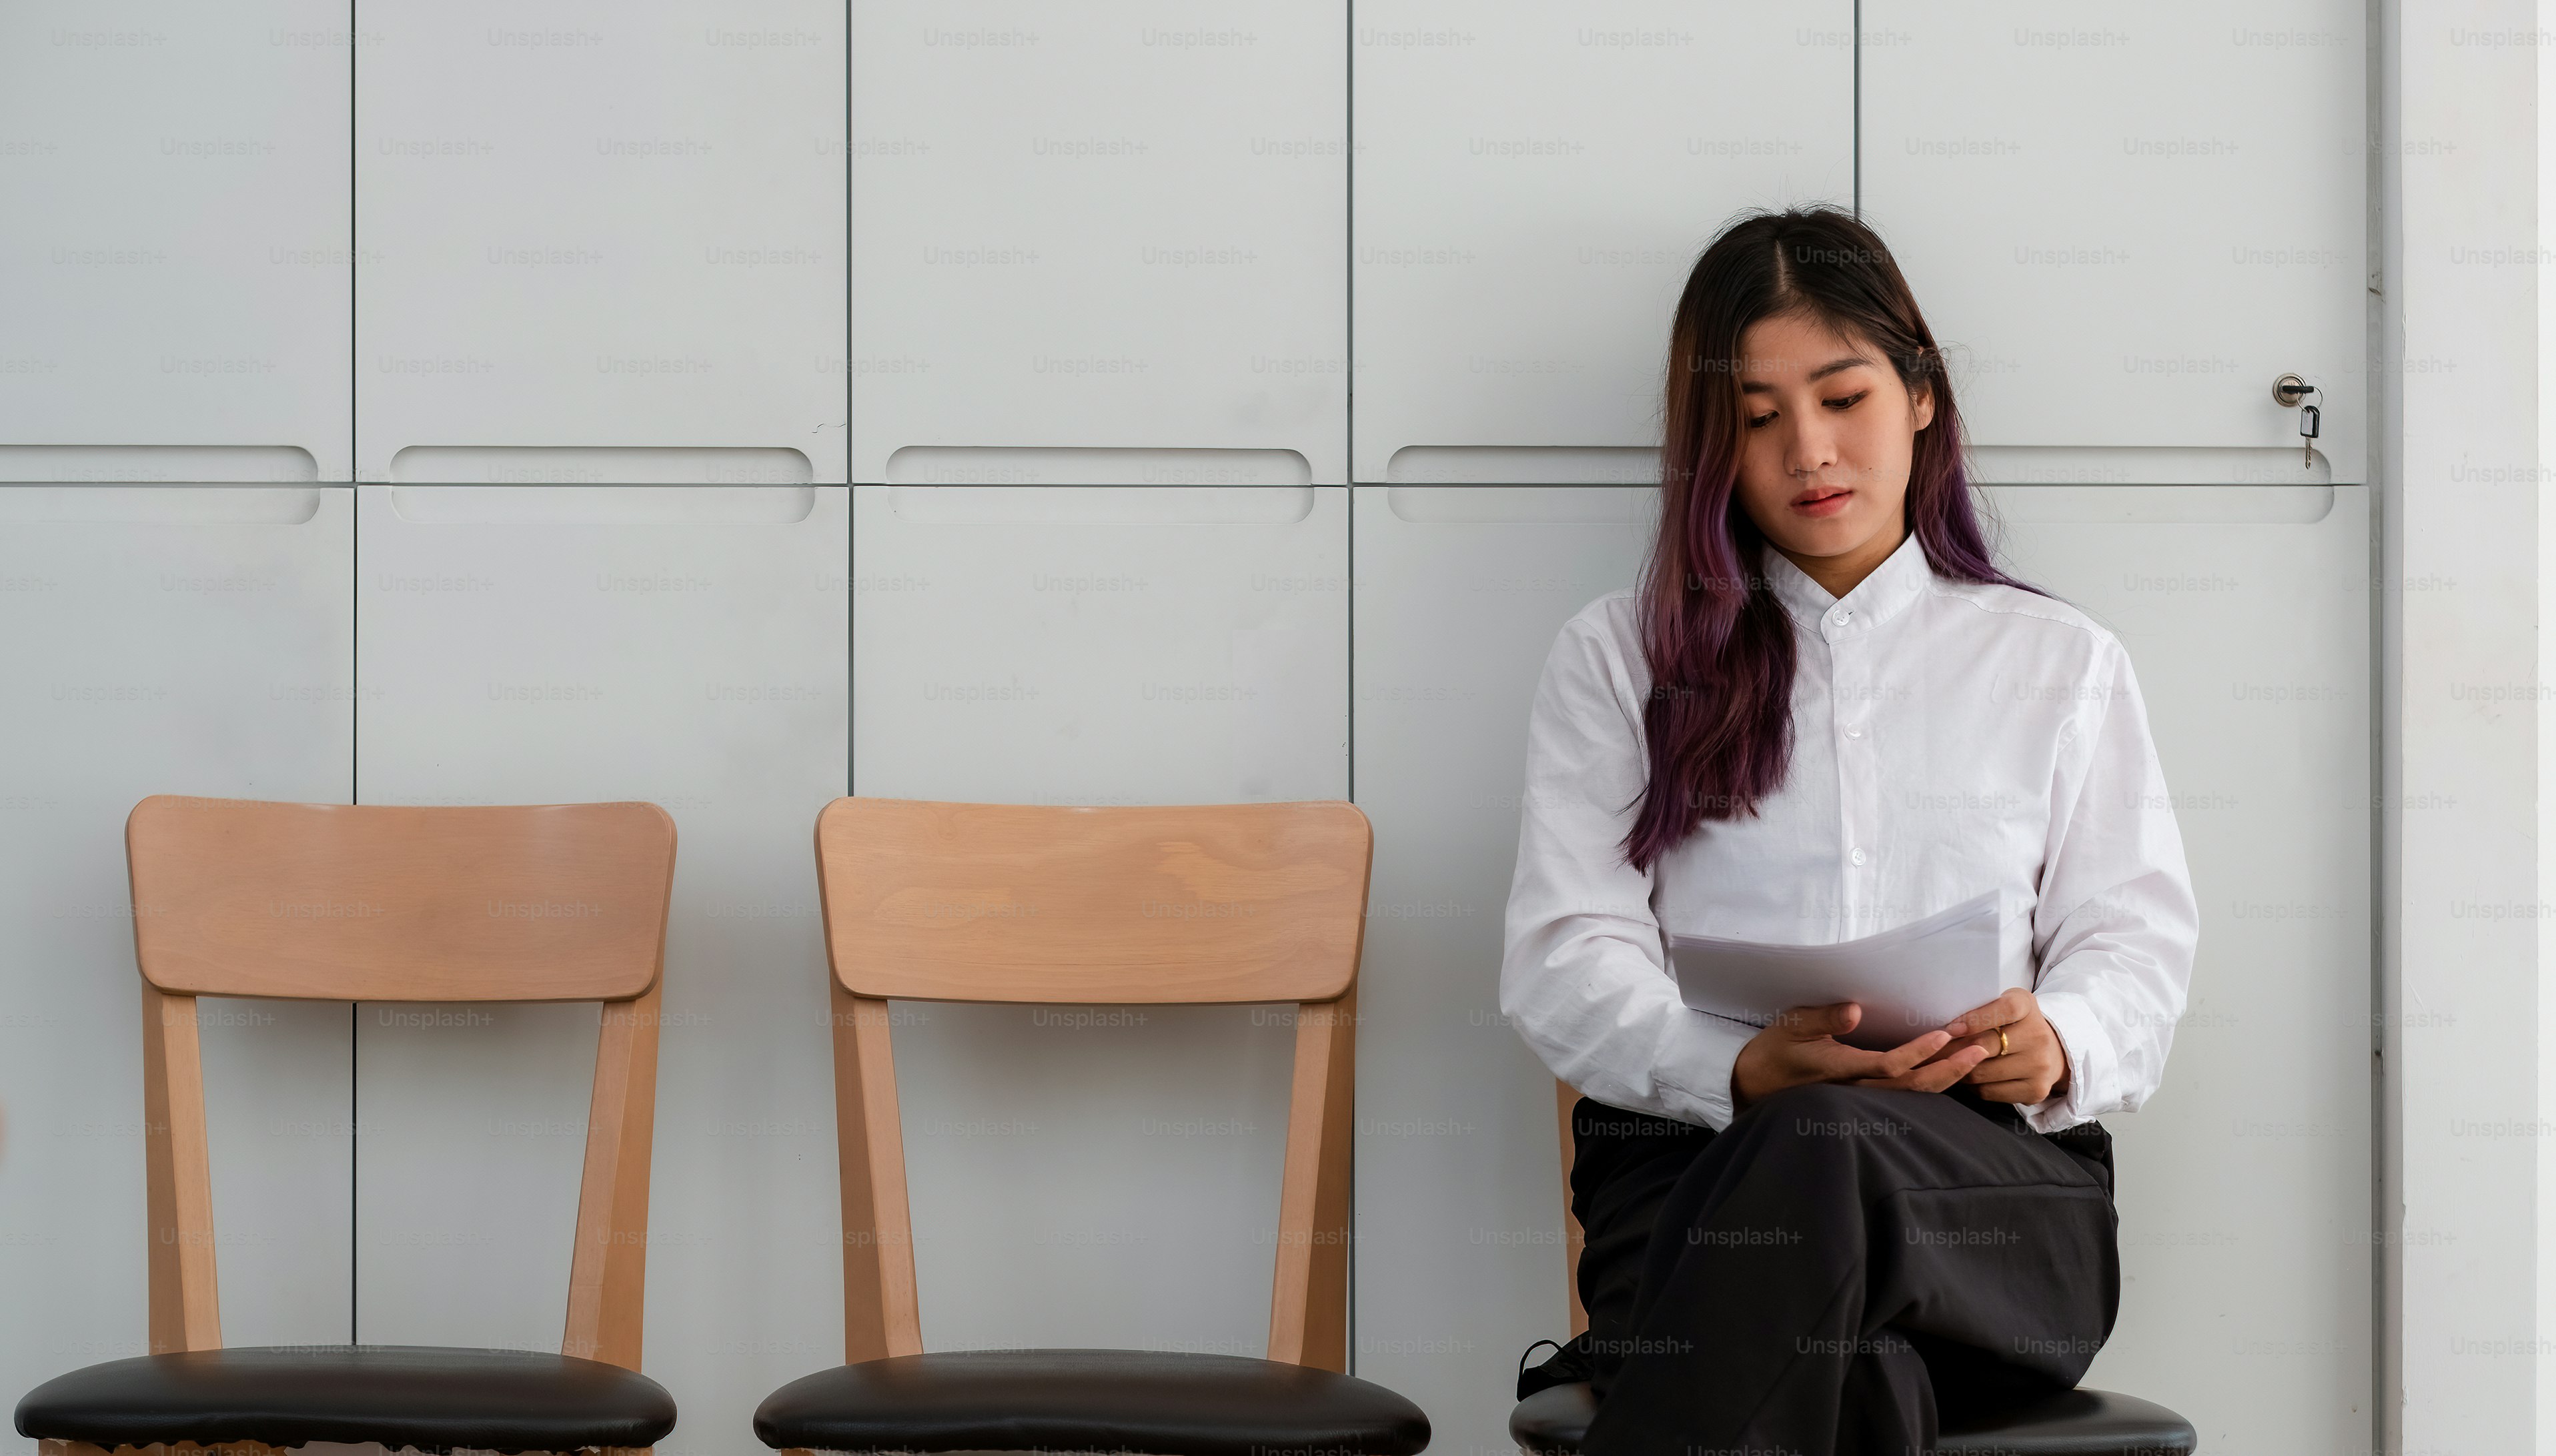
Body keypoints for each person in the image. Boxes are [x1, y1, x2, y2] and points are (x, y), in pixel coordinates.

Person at [1499, 204, 2198, 1455]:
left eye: (1842, 398)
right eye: (1757, 421)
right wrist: (1734, 1070)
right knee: (1857, 1374)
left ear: (1921, 393)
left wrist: (2057, 1043)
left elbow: (2133, 947)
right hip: (1694, 1183)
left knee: (1825, 1151)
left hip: (1986, 1208)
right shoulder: (1620, 660)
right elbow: (1561, 957)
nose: (1808, 453)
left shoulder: (2057, 662)